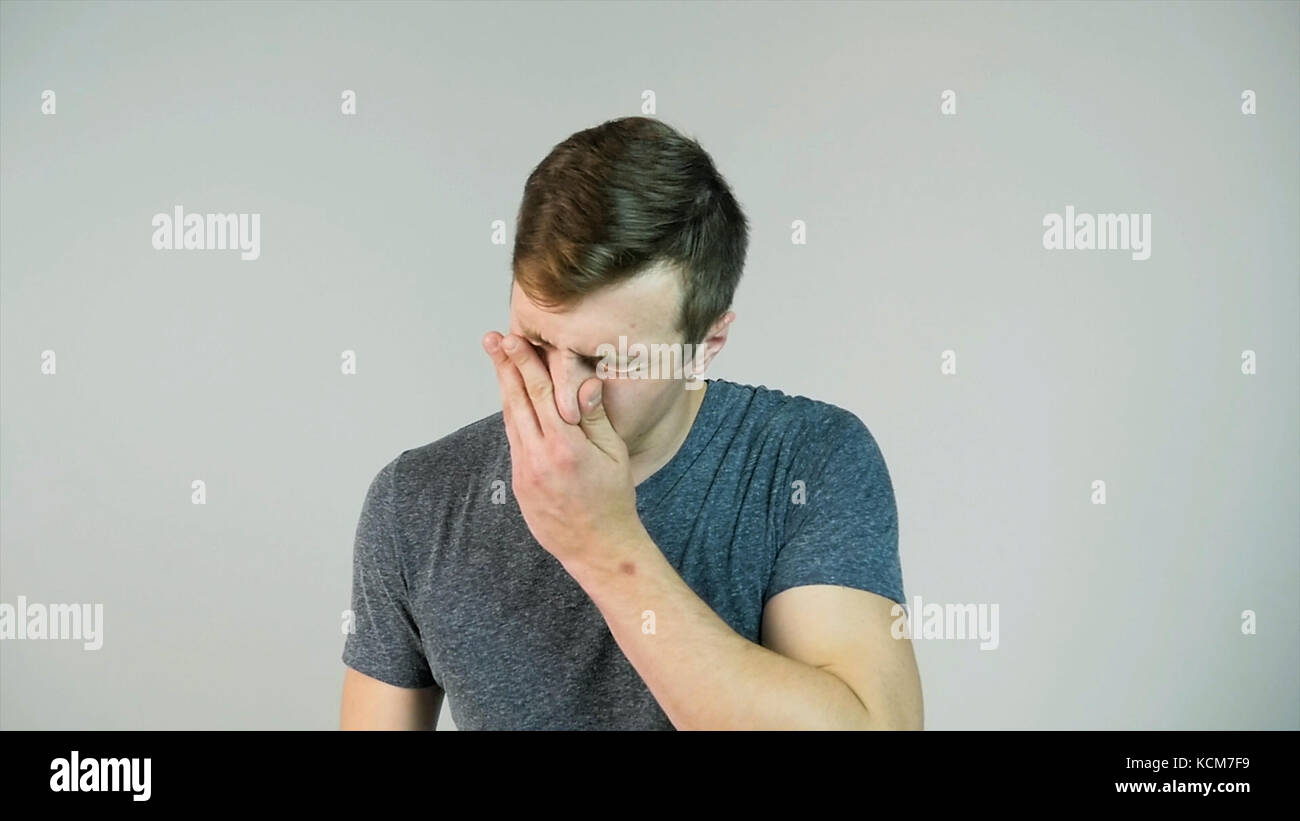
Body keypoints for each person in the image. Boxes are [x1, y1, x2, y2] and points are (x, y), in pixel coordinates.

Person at [339, 116, 923, 730]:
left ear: (707, 341)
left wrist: (602, 543)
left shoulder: (808, 459)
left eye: (609, 359)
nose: (564, 394)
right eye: (535, 340)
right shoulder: (416, 499)